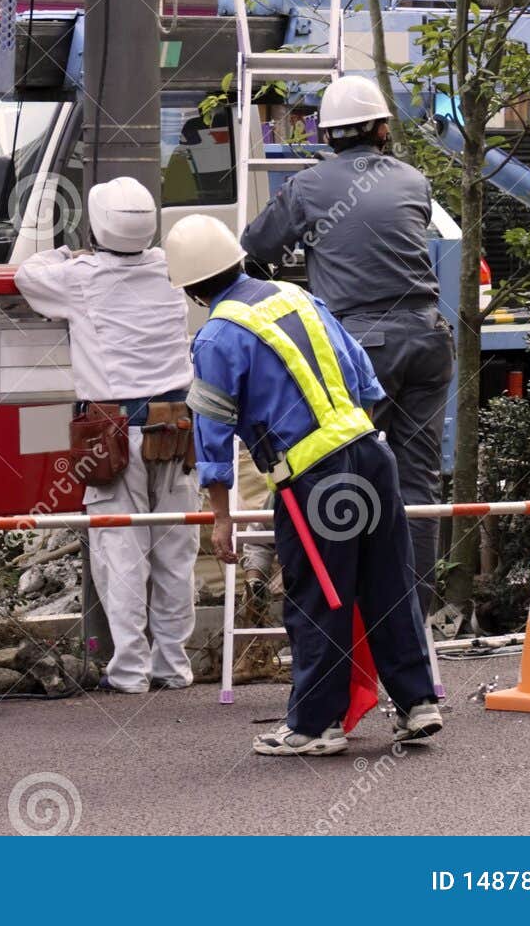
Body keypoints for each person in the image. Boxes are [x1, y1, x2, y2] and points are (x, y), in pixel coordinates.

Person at [166, 214, 440, 756]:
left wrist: (221, 516)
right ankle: (417, 704)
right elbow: (363, 378)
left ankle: (316, 727)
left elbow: (213, 436)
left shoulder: (218, 336)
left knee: (319, 598)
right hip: (371, 454)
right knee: (389, 585)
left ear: (193, 289)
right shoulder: (298, 298)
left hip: (315, 479)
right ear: (237, 261)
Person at [241, 74, 455, 620]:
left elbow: (255, 249)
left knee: (323, 459)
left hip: (362, 345)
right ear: (382, 128)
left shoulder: (310, 186)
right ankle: (415, 614)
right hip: (428, 336)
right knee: (418, 481)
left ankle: (290, 572)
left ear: (327, 135)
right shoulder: (413, 179)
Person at [16, 178, 199, 694]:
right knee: (175, 552)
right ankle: (173, 665)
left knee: (122, 553)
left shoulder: (80, 277)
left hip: (112, 435)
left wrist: (63, 252)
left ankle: (130, 671)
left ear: (97, 225)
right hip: (178, 428)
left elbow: (28, 275)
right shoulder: (170, 267)